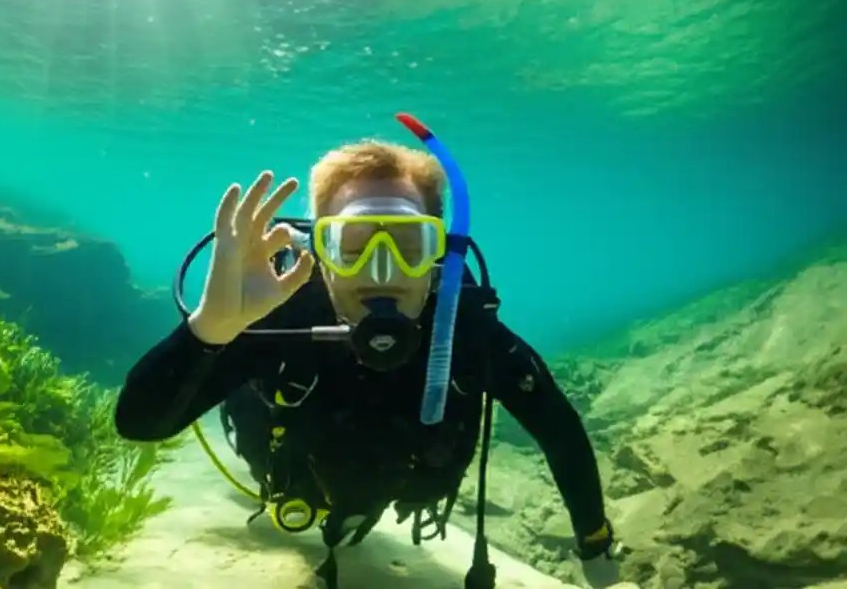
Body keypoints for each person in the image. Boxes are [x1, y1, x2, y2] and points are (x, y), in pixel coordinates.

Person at [114, 115, 625, 589]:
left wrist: (595, 545)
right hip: (296, 484)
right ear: (319, 252)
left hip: (403, 485)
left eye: (408, 245)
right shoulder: (281, 314)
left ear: (438, 256)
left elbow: (559, 431)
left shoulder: (467, 329)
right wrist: (211, 328)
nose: (382, 272)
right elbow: (140, 423)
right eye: (352, 246)